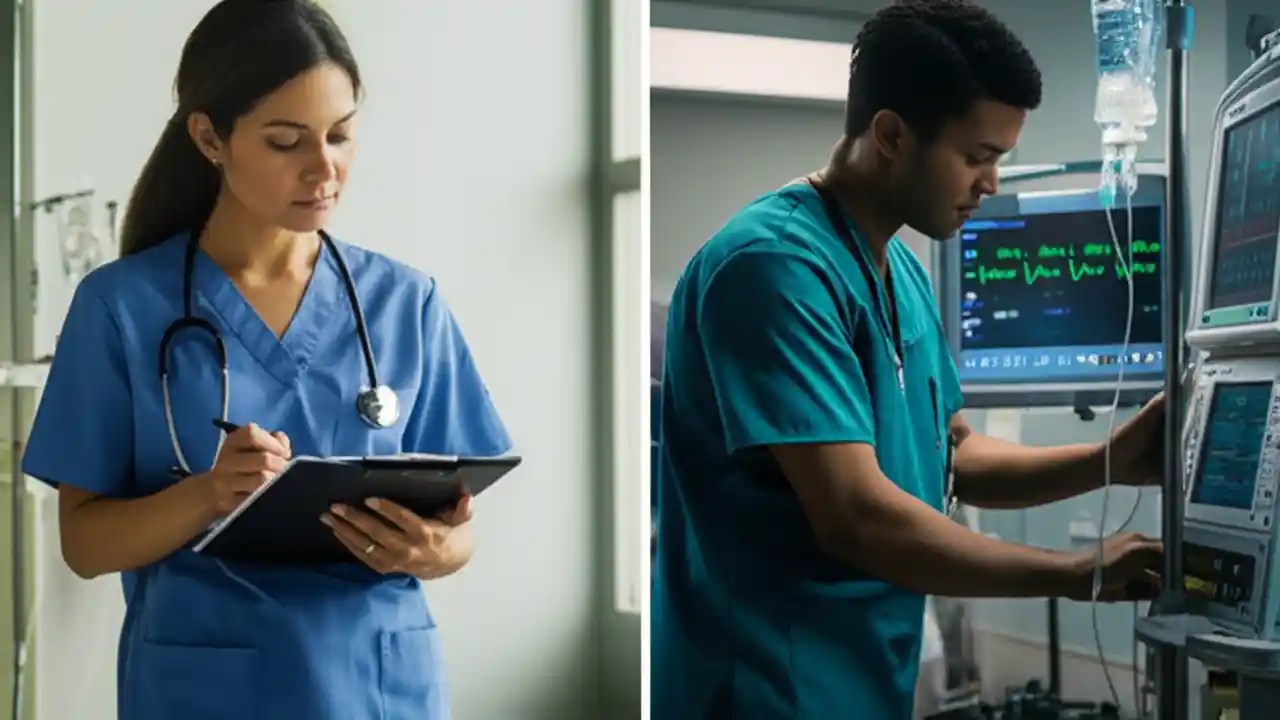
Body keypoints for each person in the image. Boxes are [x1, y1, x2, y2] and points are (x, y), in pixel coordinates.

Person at [650, 1, 1166, 718]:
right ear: (891, 134)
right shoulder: (772, 268)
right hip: (768, 686)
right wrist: (1077, 572)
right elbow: (858, 516)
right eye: (977, 157)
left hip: (864, 681)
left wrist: (1110, 459)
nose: (990, 184)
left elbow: (950, 457)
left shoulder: (900, 269)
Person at [21, 1, 511, 718]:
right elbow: (85, 545)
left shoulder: (407, 304)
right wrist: (207, 495)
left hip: (376, 686)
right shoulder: (121, 307)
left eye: (341, 135)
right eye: (287, 141)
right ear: (210, 138)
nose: (325, 168)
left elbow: (458, 535)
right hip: (207, 690)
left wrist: (427, 550)